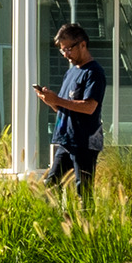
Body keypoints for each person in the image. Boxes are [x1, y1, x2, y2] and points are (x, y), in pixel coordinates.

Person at [32, 22, 105, 194]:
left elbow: (89, 107)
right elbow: (63, 109)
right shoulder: (70, 73)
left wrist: (57, 99)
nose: (65, 54)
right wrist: (50, 101)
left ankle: (86, 220)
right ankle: (51, 220)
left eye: (68, 49)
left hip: (84, 141)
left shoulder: (94, 72)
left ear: (82, 45)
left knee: (84, 191)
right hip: (65, 140)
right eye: (62, 50)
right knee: (50, 187)